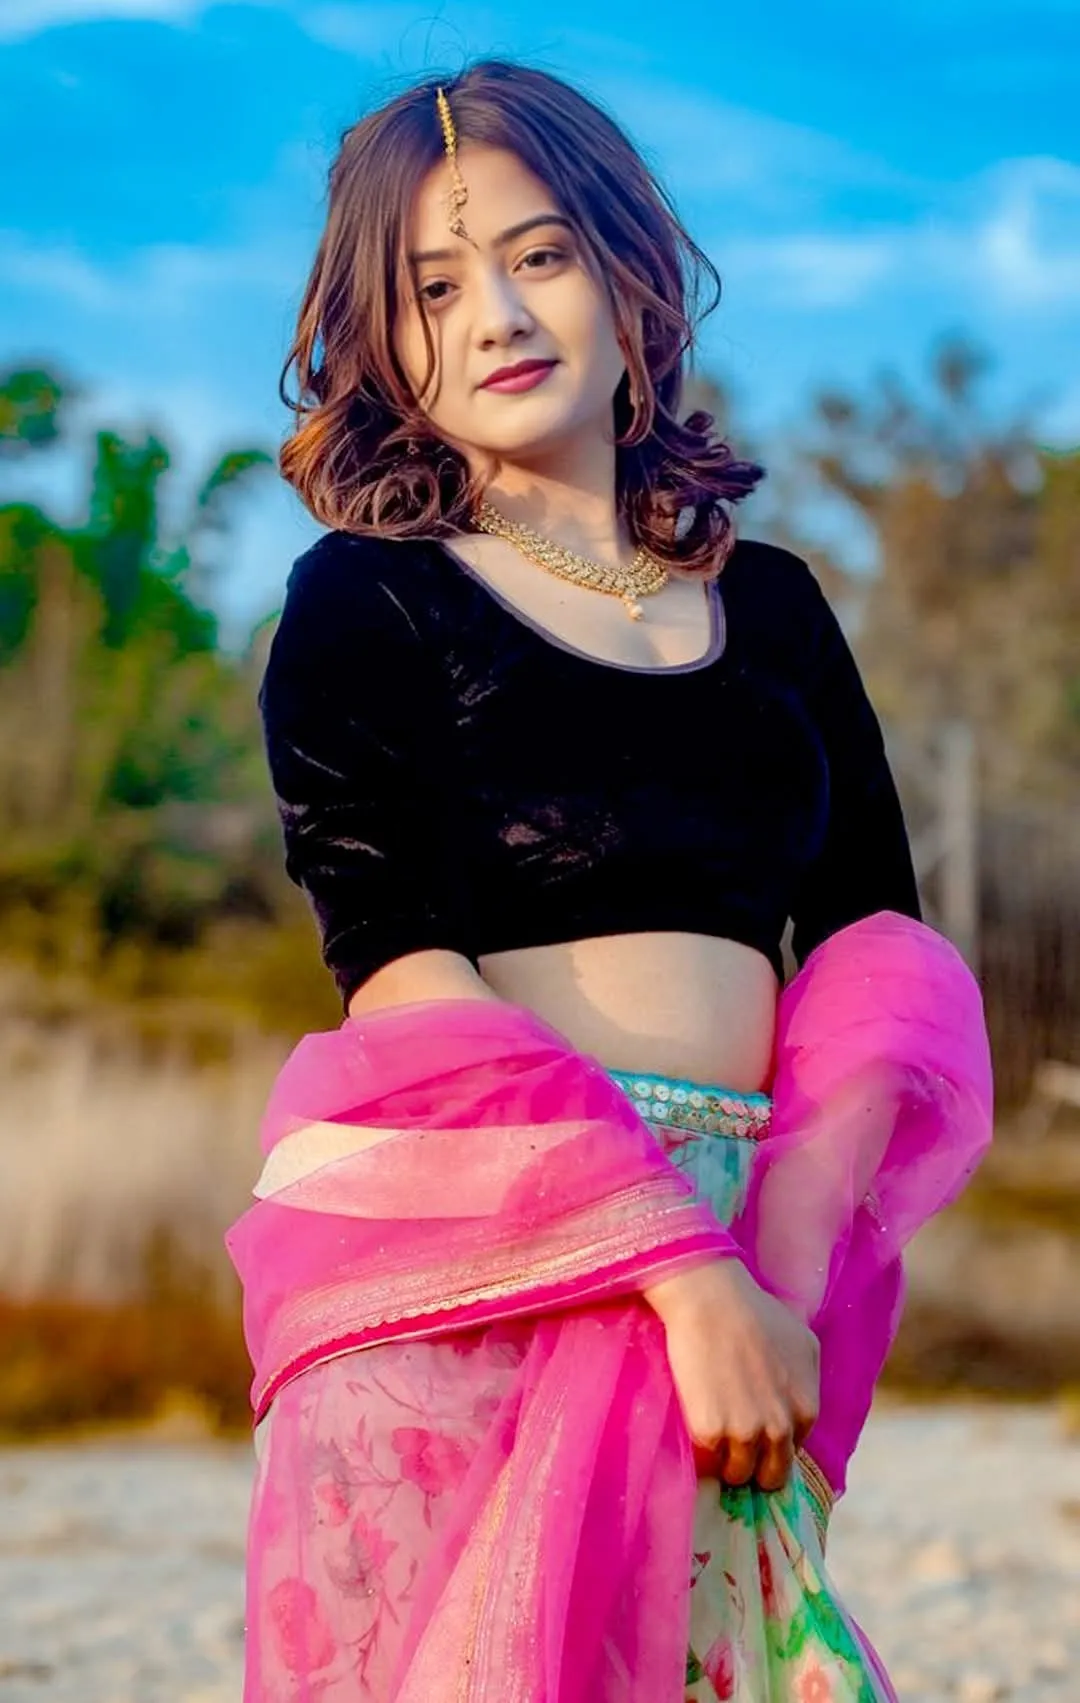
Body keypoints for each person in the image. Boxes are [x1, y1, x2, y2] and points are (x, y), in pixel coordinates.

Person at [225, 60, 993, 1702]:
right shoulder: (368, 601)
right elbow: (397, 967)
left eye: (540, 254)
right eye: (434, 286)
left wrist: (771, 1267)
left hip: (750, 1250)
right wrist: (675, 1264)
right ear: (382, 338)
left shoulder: (773, 608)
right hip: (485, 1256)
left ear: (630, 273)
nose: (499, 314)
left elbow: (873, 951)